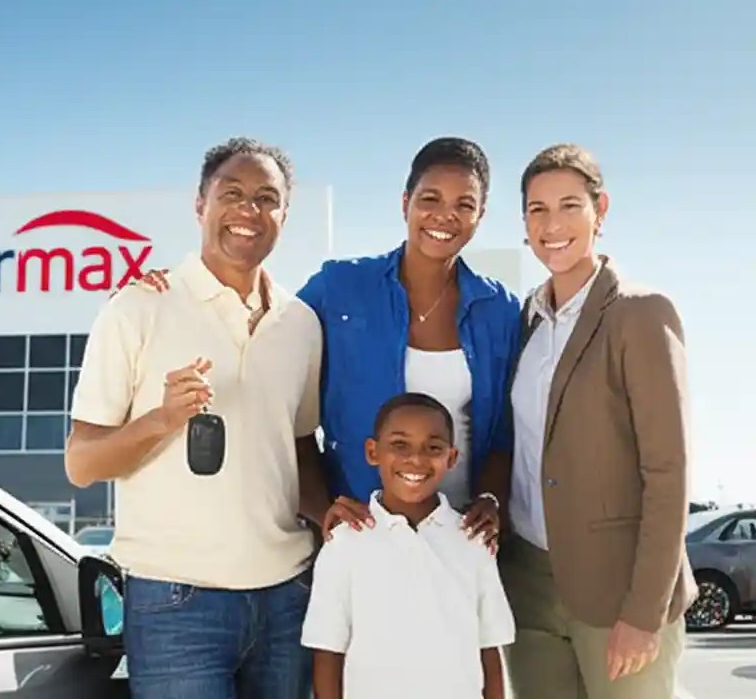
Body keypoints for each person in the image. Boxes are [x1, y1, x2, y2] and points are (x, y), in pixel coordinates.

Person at [132, 138, 519, 547]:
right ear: (405, 202)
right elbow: (258, 328)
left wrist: (491, 500)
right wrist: (172, 290)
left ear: (481, 215)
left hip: (461, 545)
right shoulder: (340, 288)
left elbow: (503, 437)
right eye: (430, 198)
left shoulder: (501, 311)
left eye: (464, 205)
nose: (445, 216)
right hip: (358, 542)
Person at [65, 137, 330, 698]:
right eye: (231, 193)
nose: (248, 210)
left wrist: (338, 522)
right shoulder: (139, 306)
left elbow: (299, 446)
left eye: (267, 198)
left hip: (287, 599)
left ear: (285, 214)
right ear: (200, 204)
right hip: (176, 602)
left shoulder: (301, 324)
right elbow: (81, 463)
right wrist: (161, 419)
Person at [499, 143, 695, 699]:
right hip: (530, 583)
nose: (552, 224)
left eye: (569, 206)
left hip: (618, 591)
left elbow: (669, 469)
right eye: (537, 210)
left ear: (599, 211)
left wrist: (644, 608)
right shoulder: (526, 322)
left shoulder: (640, 312)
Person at [301, 392, 515, 699]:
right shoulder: (344, 543)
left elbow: (489, 649)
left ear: (452, 458)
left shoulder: (473, 541)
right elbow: (327, 652)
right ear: (373, 452)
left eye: (433, 447)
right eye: (400, 445)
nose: (416, 459)